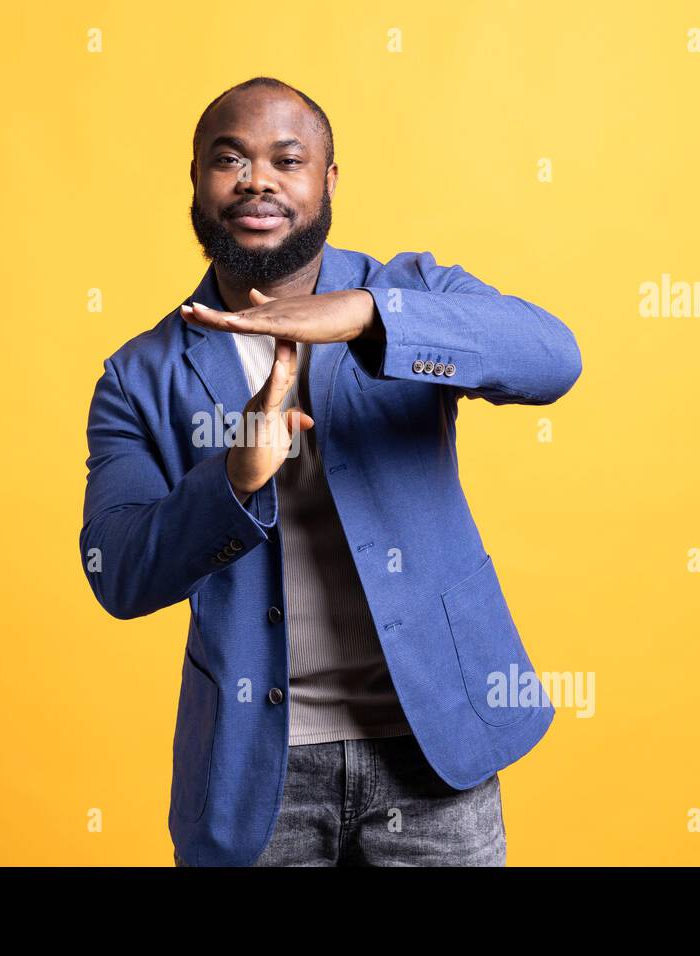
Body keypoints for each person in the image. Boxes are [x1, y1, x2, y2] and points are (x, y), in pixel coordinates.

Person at [79, 76, 582, 866]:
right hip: (257, 777)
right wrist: (233, 480)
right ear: (197, 183)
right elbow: (118, 572)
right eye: (229, 160)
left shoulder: (410, 294)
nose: (257, 181)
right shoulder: (138, 376)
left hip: (433, 751)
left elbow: (554, 358)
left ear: (328, 181)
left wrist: (371, 315)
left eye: (288, 159)